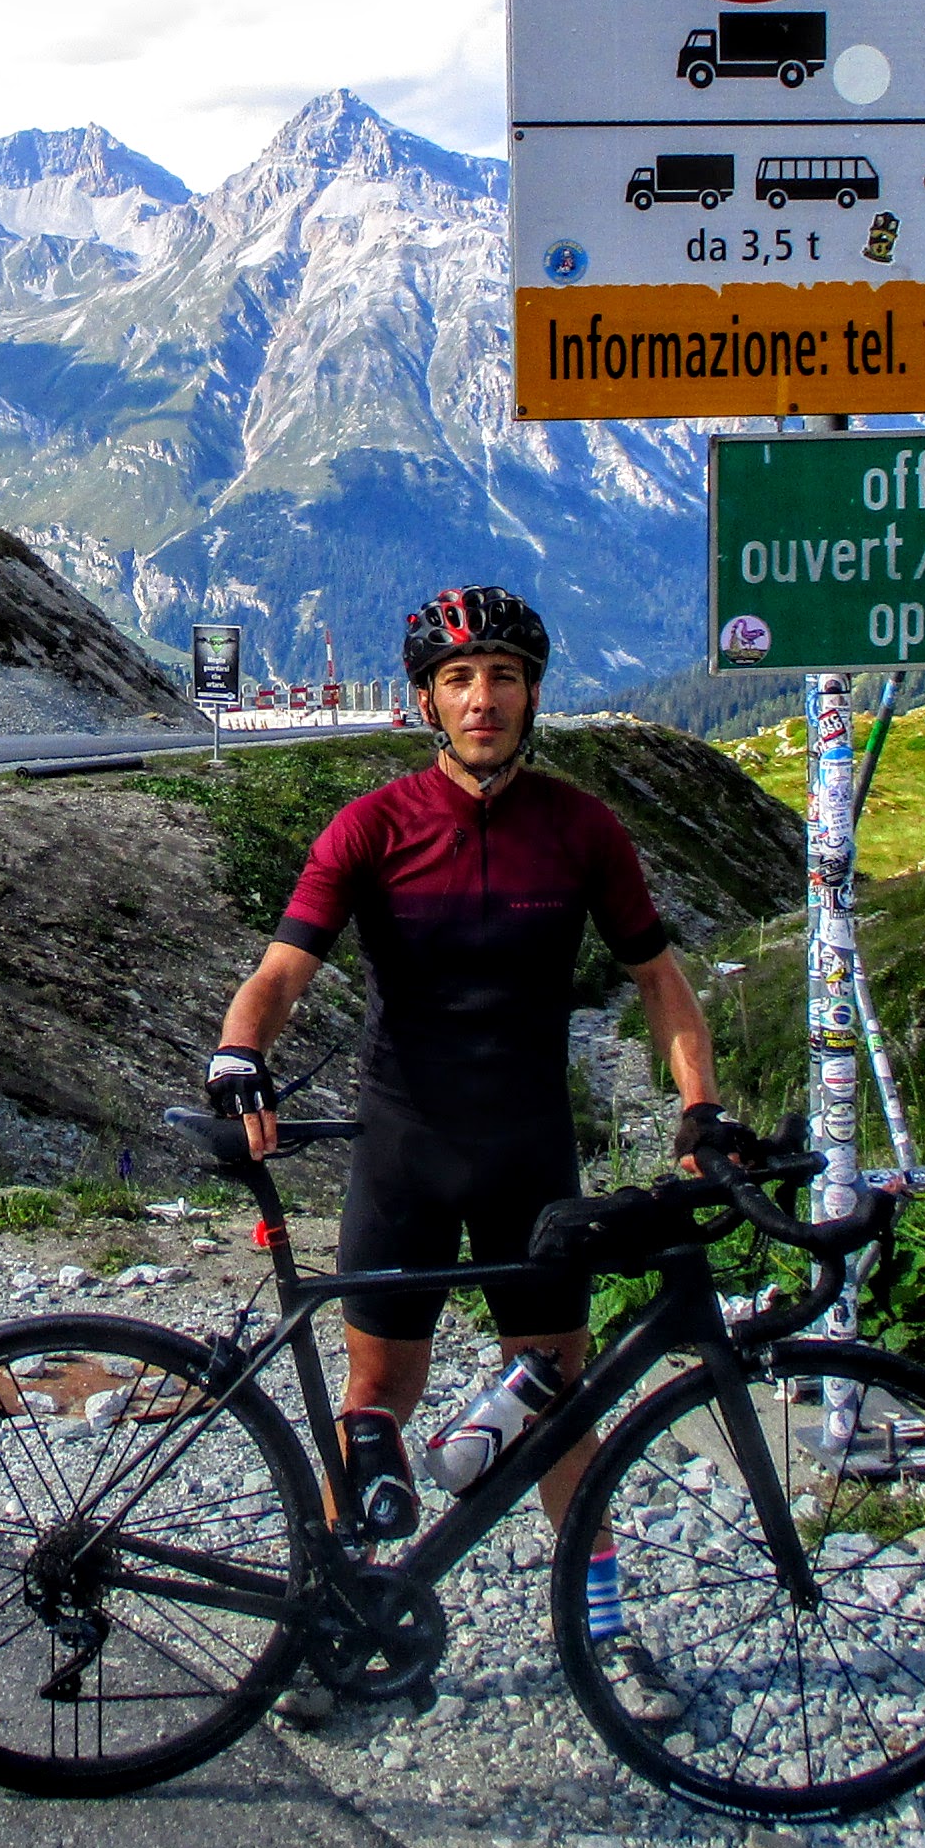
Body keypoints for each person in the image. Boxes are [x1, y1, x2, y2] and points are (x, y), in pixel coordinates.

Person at [204, 583, 723, 1703]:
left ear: (531, 695)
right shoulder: (373, 826)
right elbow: (282, 970)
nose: (482, 697)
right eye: (458, 679)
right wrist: (238, 1053)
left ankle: (604, 1638)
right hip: (408, 1149)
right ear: (429, 702)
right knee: (376, 1394)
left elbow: (659, 980)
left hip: (529, 1151)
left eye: (502, 677)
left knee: (560, 1398)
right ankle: (329, 1627)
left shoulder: (581, 828)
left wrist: (699, 1109)